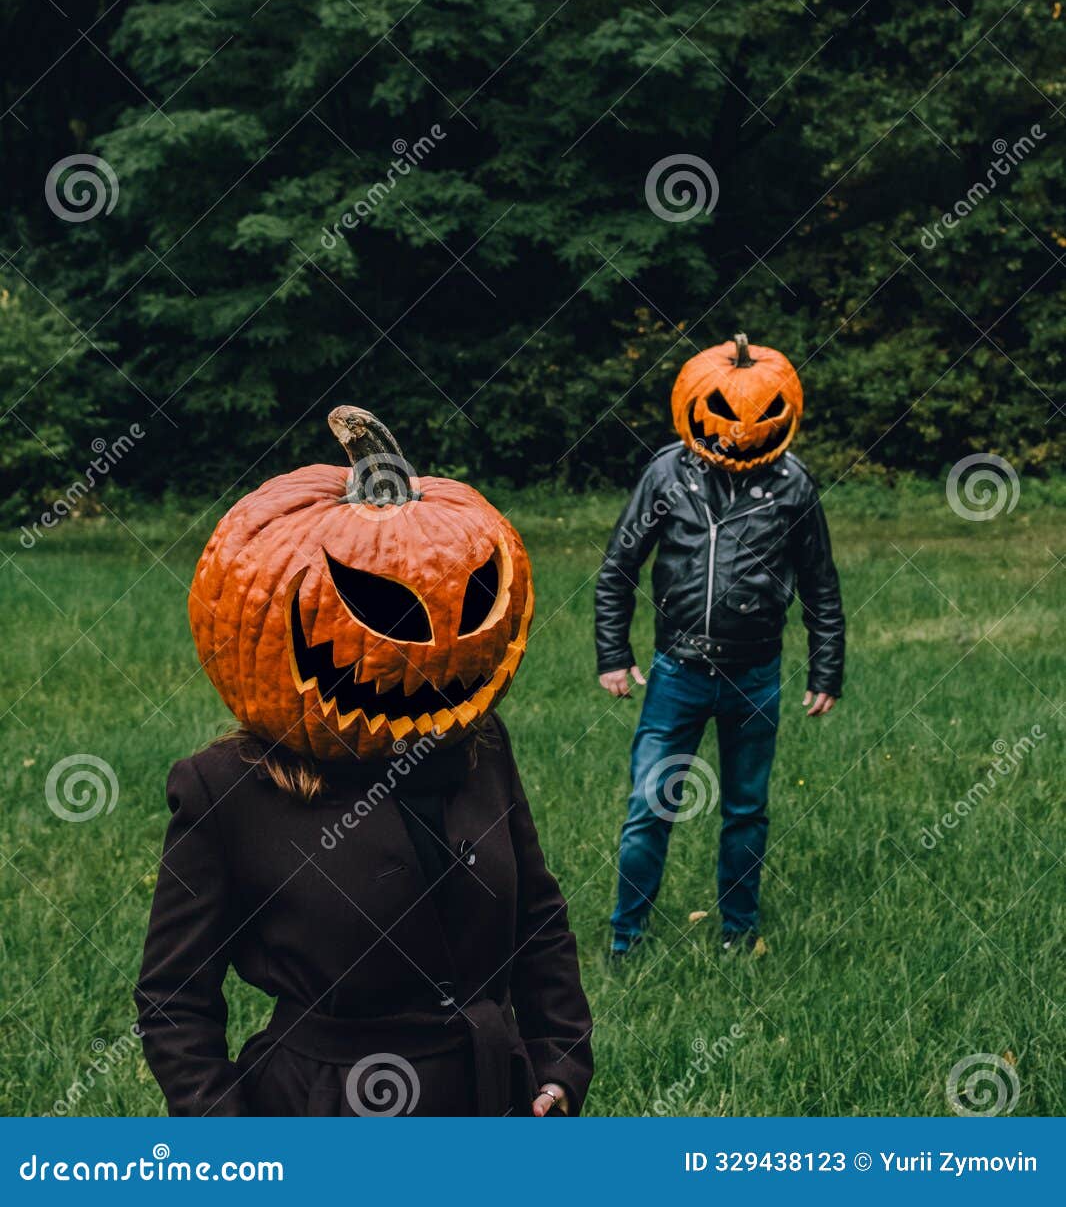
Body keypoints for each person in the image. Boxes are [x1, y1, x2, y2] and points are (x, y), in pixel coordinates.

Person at [137, 405, 592, 1117]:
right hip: (325, 1108)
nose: (431, 648)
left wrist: (559, 1064)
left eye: (471, 602)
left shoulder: (481, 746)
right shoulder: (224, 793)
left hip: (488, 1095)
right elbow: (173, 1001)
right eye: (390, 614)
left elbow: (538, 918)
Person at [596, 335, 845, 957]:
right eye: (725, 414)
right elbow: (618, 567)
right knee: (650, 808)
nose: (738, 430)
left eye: (758, 415)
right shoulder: (666, 473)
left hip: (755, 676)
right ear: (694, 408)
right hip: (677, 671)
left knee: (745, 810)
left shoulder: (793, 484)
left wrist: (827, 667)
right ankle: (626, 939)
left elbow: (820, 583)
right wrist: (613, 653)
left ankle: (739, 933)